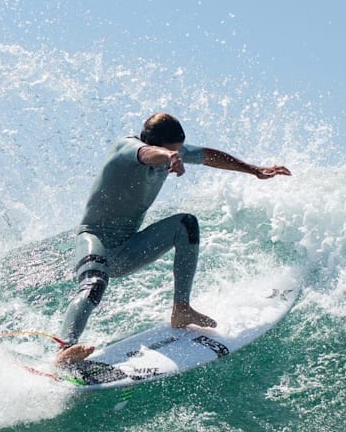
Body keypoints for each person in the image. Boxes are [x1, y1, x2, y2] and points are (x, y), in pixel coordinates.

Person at [55, 112, 291, 365]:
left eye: (177, 151)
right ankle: (64, 350)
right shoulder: (126, 148)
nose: (176, 156)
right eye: (171, 151)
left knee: (185, 223)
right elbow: (147, 154)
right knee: (94, 284)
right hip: (95, 238)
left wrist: (253, 170)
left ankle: (181, 308)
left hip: (128, 248)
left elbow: (209, 156)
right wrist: (169, 156)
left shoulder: (172, 152)